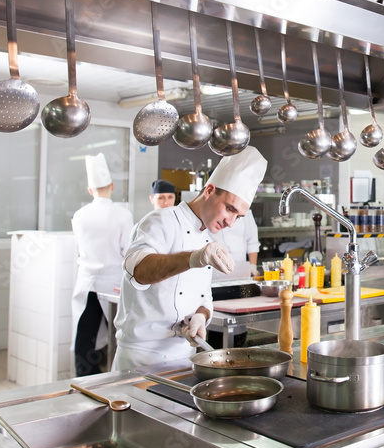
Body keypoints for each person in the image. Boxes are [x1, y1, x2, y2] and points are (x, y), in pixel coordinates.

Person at [112, 146, 268, 371]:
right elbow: (139, 271)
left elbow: (204, 297)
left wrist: (201, 318)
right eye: (229, 209)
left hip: (185, 358)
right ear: (209, 190)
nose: (231, 222)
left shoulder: (208, 237)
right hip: (141, 360)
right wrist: (194, 258)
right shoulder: (160, 221)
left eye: (238, 216)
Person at [70, 154, 134, 376]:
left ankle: (84, 378)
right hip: (112, 284)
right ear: (112, 186)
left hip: (87, 282)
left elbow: (79, 248)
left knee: (85, 333)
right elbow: (128, 252)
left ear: (90, 190)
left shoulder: (79, 216)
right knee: (116, 335)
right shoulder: (123, 215)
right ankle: (115, 378)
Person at [214, 213, 260, 278]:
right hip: (215, 269)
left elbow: (252, 242)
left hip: (241, 267)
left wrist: (253, 266)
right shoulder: (213, 210)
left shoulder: (246, 212)